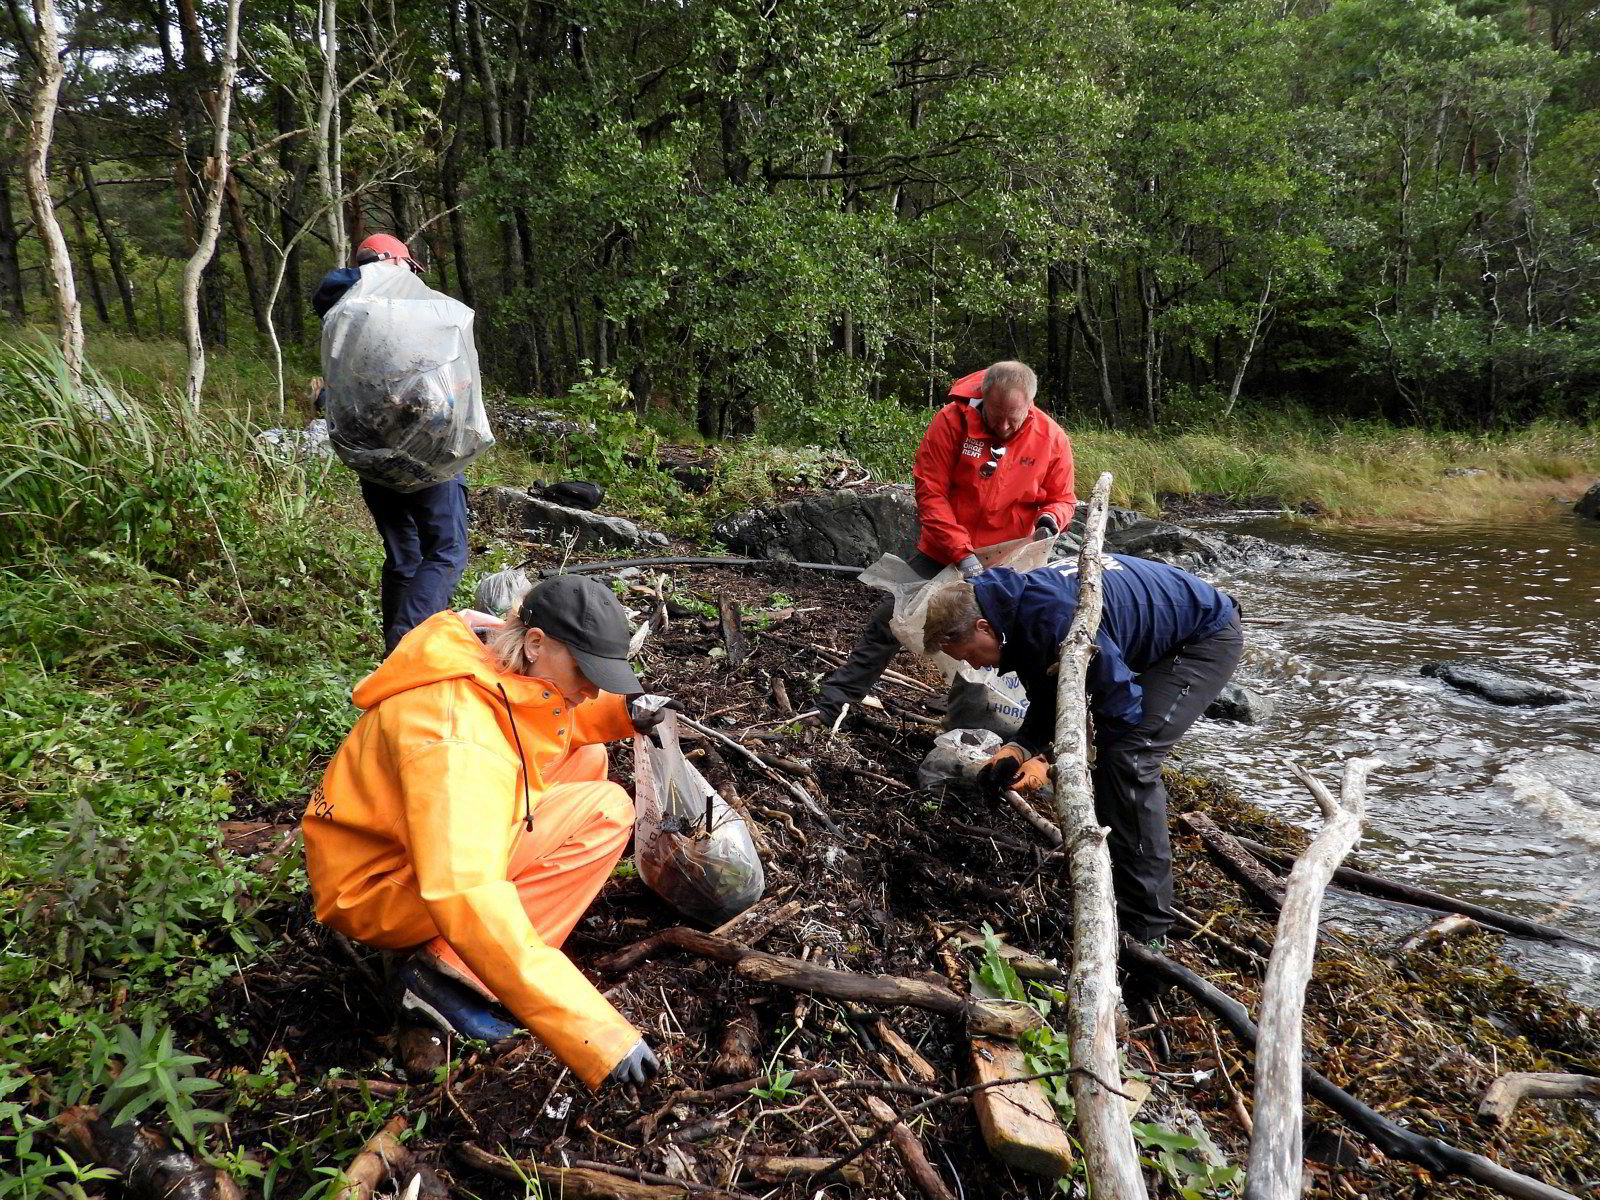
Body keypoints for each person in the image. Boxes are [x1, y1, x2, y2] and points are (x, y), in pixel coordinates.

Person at [301, 574, 678, 1089]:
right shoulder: (458, 742)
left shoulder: (485, 650)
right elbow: (465, 892)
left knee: (584, 752)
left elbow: (541, 712)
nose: (592, 687)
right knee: (607, 810)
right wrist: (595, 1034)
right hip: (376, 890)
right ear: (537, 642)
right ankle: (449, 980)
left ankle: (468, 955)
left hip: (396, 847)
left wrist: (621, 713)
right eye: (587, 671)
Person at [922, 555, 1242, 946]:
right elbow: (1051, 689)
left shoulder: (1052, 616)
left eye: (971, 654)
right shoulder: (1012, 611)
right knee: (1115, 763)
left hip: (1201, 636)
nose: (978, 667)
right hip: (1154, 628)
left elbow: (1117, 704)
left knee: (1130, 759)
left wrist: (1065, 764)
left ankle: (1146, 925)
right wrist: (1020, 748)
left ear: (983, 626)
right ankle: (1110, 864)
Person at [813, 360, 1075, 725]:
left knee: (1009, 641)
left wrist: (1051, 522)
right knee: (891, 619)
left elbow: (1062, 498)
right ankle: (833, 703)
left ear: (1030, 405)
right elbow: (931, 493)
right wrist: (961, 553)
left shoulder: (1051, 437)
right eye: (995, 415)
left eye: (1011, 419)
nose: (1001, 426)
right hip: (945, 548)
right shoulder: (951, 422)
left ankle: (998, 725)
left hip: (1009, 559)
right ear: (983, 396)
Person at [313, 233, 469, 656]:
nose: (410, 276)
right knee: (447, 551)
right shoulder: (396, 307)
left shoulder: (342, 312)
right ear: (387, 262)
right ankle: (405, 652)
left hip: (369, 454)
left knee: (404, 554)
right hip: (424, 454)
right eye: (406, 266)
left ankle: (395, 645)